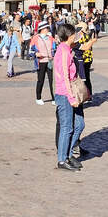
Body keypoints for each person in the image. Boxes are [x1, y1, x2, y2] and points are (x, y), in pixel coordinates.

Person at [51, 23, 87, 172]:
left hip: (71, 91)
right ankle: (62, 159)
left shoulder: (67, 48)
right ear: (69, 35)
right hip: (65, 93)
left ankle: (68, 153)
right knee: (67, 127)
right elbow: (64, 76)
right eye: (74, 34)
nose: (75, 36)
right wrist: (71, 97)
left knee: (79, 124)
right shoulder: (63, 51)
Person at [29, 23, 53, 105]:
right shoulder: (35, 38)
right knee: (40, 80)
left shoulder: (50, 38)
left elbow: (54, 48)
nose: (48, 30)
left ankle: (54, 98)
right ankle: (38, 97)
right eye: (47, 28)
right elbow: (30, 50)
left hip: (50, 61)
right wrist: (35, 54)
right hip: (40, 62)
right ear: (42, 29)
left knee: (52, 81)